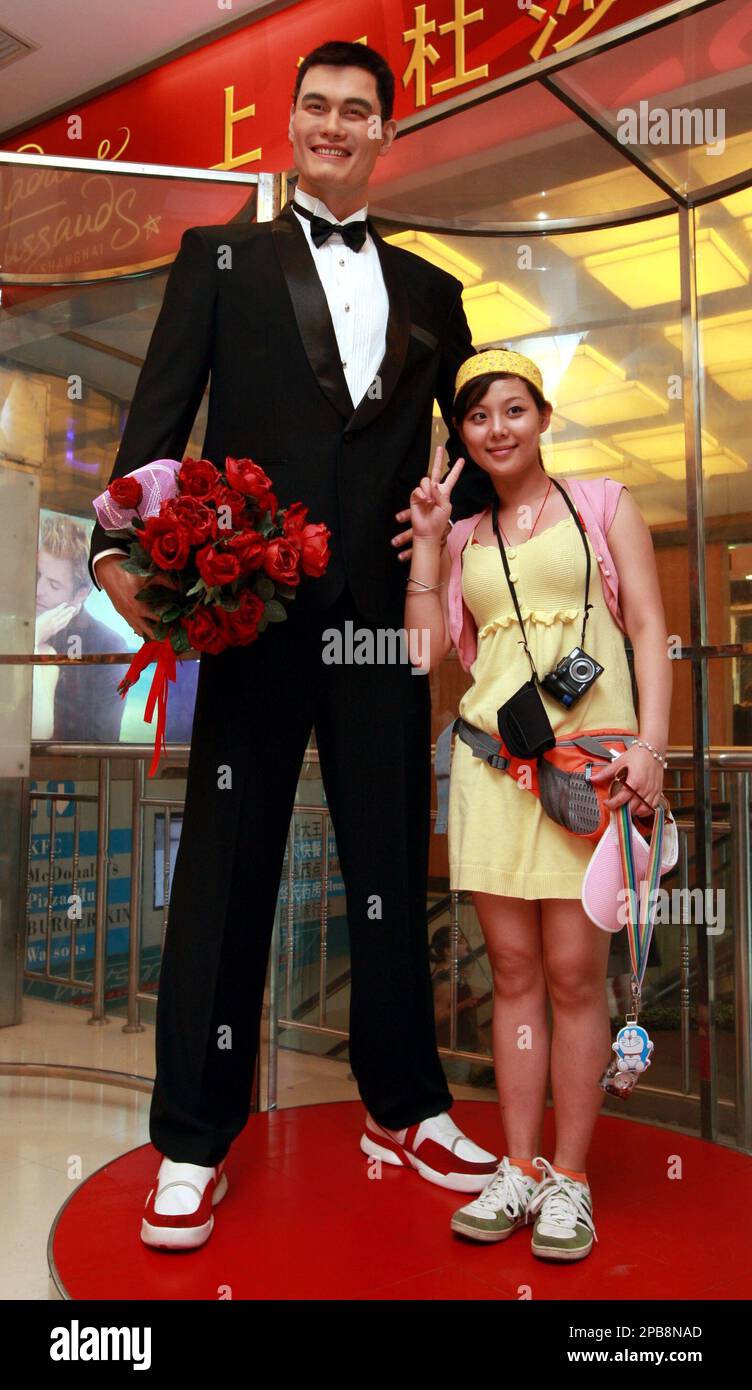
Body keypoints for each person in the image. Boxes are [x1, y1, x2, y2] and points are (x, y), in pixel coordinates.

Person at [88, 39, 498, 1251]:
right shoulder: (217, 258)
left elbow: (477, 444)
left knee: (387, 857)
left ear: (386, 130)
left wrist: (454, 523)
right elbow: (154, 424)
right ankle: (192, 1137)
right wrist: (120, 560)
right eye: (313, 106)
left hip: (381, 622)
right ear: (290, 123)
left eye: (355, 111)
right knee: (225, 870)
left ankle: (405, 1103)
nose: (332, 125)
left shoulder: (432, 288)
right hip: (251, 616)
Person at [404, 347, 672, 1261]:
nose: (498, 429)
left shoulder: (603, 505)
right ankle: (517, 1167)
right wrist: (432, 542)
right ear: (464, 438)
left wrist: (651, 748)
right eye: (478, 418)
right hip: (491, 773)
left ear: (543, 417)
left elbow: (647, 627)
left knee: (573, 975)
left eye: (513, 410)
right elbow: (419, 656)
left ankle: (570, 1179)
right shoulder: (467, 535)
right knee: (513, 976)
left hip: (587, 771)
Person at [34, 514, 128, 742]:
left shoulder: (107, 645)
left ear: (80, 594)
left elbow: (102, 738)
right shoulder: (13, 626)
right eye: (36, 575)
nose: (37, 590)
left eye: (54, 584)